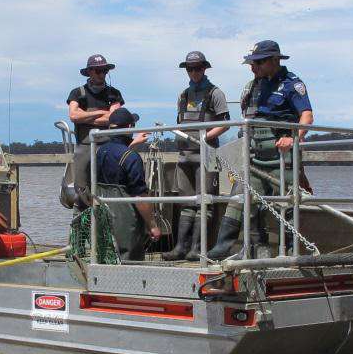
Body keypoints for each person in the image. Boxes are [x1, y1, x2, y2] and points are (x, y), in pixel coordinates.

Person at [207, 40, 314, 260]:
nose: (254, 67)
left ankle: (292, 252)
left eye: (259, 62)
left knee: (288, 205)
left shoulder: (292, 85)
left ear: (274, 60)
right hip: (255, 157)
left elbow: (307, 117)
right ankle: (220, 250)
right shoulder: (256, 85)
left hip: (281, 158)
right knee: (239, 198)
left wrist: (294, 138)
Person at [161, 51, 230, 261]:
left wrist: (205, 138)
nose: (194, 72)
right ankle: (181, 247)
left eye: (198, 68)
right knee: (186, 201)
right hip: (184, 156)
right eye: (190, 69)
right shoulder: (183, 95)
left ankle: (198, 248)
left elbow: (225, 123)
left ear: (205, 68)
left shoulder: (215, 93)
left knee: (204, 202)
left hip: (205, 155)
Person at [93, 108, 162, 260]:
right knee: (131, 263)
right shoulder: (131, 158)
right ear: (130, 128)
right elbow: (139, 197)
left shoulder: (98, 152)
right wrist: (152, 225)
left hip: (103, 220)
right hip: (126, 227)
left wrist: (131, 144)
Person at [67, 54, 125, 146]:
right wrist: (102, 112)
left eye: (105, 71)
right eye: (98, 71)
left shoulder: (114, 93)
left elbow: (114, 119)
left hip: (109, 147)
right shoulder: (77, 93)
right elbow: (73, 116)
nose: (102, 74)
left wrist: (83, 118)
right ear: (89, 72)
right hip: (84, 147)